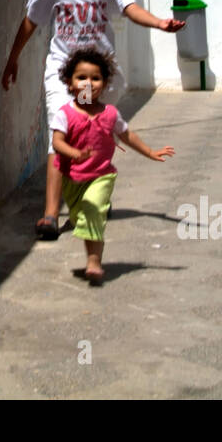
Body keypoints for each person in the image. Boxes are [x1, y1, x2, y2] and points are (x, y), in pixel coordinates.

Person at [0, 0, 183, 239]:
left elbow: (130, 9)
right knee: (60, 139)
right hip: (63, 75)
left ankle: (93, 193)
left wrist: (158, 22)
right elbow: (30, 21)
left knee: (91, 138)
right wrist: (13, 59)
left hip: (97, 79)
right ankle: (51, 216)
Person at [49, 48, 174, 284]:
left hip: (101, 177)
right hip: (72, 179)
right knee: (80, 215)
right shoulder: (65, 114)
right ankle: (76, 220)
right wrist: (74, 153)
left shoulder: (110, 114)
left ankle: (94, 262)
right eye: (81, 77)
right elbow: (57, 142)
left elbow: (127, 136)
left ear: (105, 84)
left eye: (95, 78)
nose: (89, 83)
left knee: (94, 209)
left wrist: (150, 152)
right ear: (69, 83)